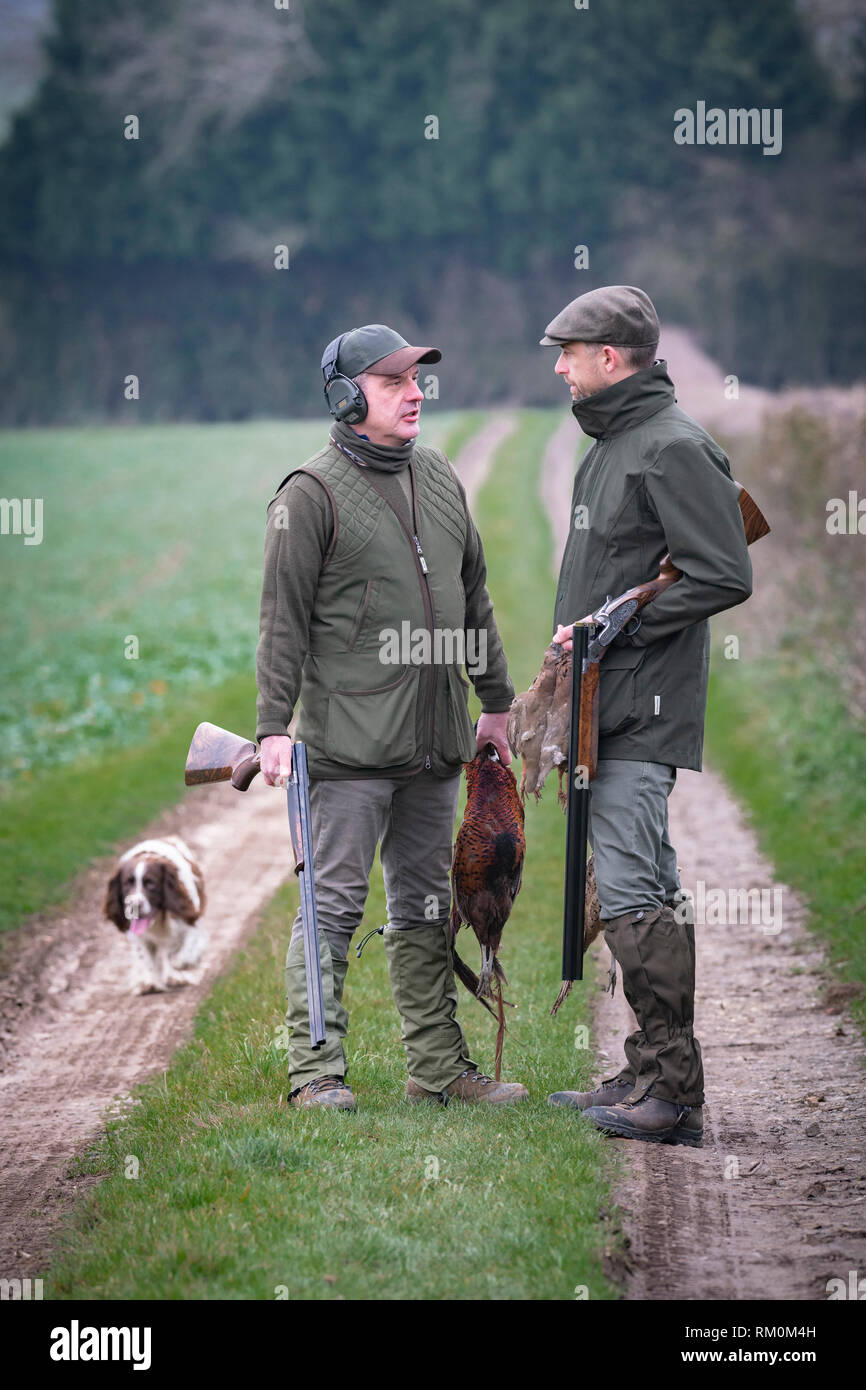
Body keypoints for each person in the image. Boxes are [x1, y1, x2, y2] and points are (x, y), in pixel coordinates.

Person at [255, 323, 528, 1110]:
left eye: (416, 379)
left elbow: (472, 596)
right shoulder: (306, 496)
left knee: (426, 908)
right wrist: (275, 726)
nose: (415, 393)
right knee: (331, 909)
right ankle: (316, 1074)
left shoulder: (439, 477)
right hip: (348, 749)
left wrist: (497, 703)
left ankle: (438, 1072)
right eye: (392, 382)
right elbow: (282, 621)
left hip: (435, 743)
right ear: (346, 400)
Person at [542, 286, 753, 1146]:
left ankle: (672, 1096)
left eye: (569, 352)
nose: (559, 366)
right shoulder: (616, 442)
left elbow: (723, 573)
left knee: (633, 895)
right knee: (648, 886)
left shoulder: (669, 446)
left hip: (640, 706)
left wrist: (617, 619)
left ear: (611, 357)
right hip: (607, 703)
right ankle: (645, 1069)